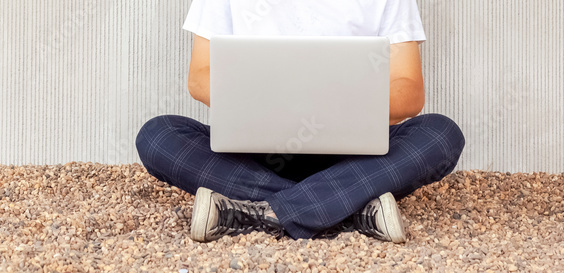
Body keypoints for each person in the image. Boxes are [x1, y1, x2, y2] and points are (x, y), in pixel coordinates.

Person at [135, 0, 465, 243]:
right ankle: (348, 208)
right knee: (158, 136)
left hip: (355, 156)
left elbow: (408, 93)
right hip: (257, 153)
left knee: (441, 135)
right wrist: (278, 100)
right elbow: (200, 78)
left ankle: (255, 211)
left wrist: (327, 105)